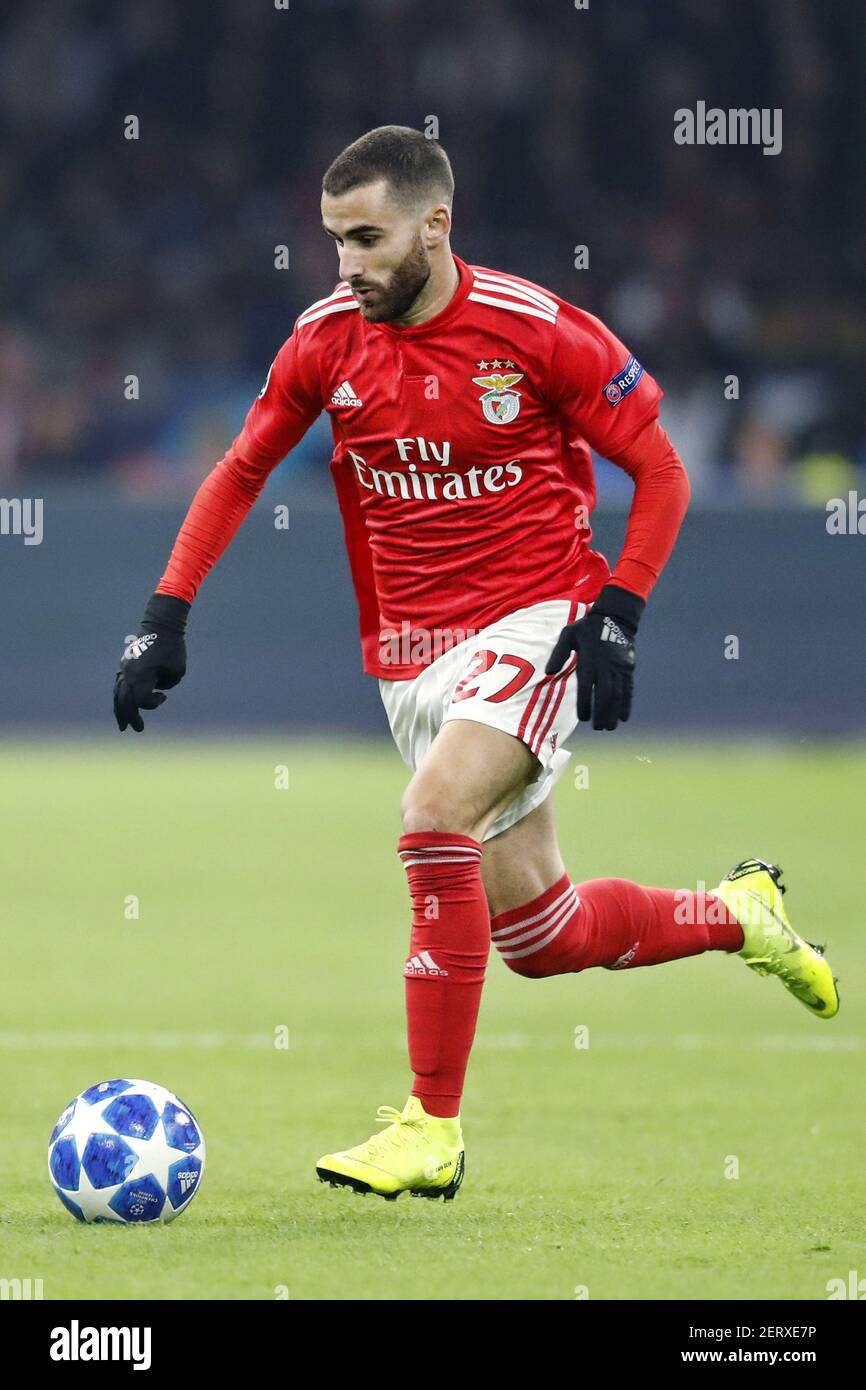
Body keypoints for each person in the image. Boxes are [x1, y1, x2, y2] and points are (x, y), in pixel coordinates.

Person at [114, 126, 839, 1202]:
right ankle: (740, 914)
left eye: (366, 239)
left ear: (435, 224)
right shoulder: (323, 341)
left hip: (535, 620)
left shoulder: (533, 330)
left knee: (429, 813)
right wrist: (163, 612)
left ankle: (431, 1128)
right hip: (409, 660)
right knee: (540, 935)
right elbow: (238, 468)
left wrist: (616, 612)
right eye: (333, 243)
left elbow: (660, 469)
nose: (345, 265)